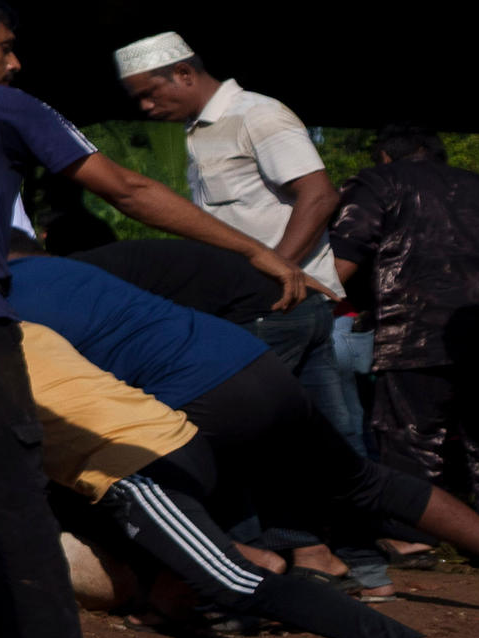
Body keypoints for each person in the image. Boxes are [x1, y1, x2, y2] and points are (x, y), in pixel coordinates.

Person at [0, 0, 290, 638]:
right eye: (5, 45)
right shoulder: (4, 106)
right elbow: (127, 187)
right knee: (14, 497)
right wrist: (252, 250)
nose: (15, 61)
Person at [8, 249, 479, 629]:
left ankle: (219, 579)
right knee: (364, 482)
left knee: (118, 486)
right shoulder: (73, 268)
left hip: (190, 395)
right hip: (252, 363)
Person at [18, 317, 479, 638]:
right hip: (181, 440)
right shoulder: (32, 330)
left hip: (134, 468)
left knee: (235, 583)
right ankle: (190, 582)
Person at [116, 33, 356, 434]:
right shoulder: (202, 129)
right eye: (138, 99)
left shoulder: (256, 114)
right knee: (326, 441)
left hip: (273, 306)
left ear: (183, 73)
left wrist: (270, 273)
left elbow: (318, 195)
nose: (146, 106)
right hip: (274, 305)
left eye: (150, 93)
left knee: (241, 431)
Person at [327, 128, 479, 529]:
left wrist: (320, 303)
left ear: (386, 157)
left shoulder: (379, 181)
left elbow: (348, 248)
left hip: (414, 328)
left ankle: (411, 535)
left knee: (411, 435)